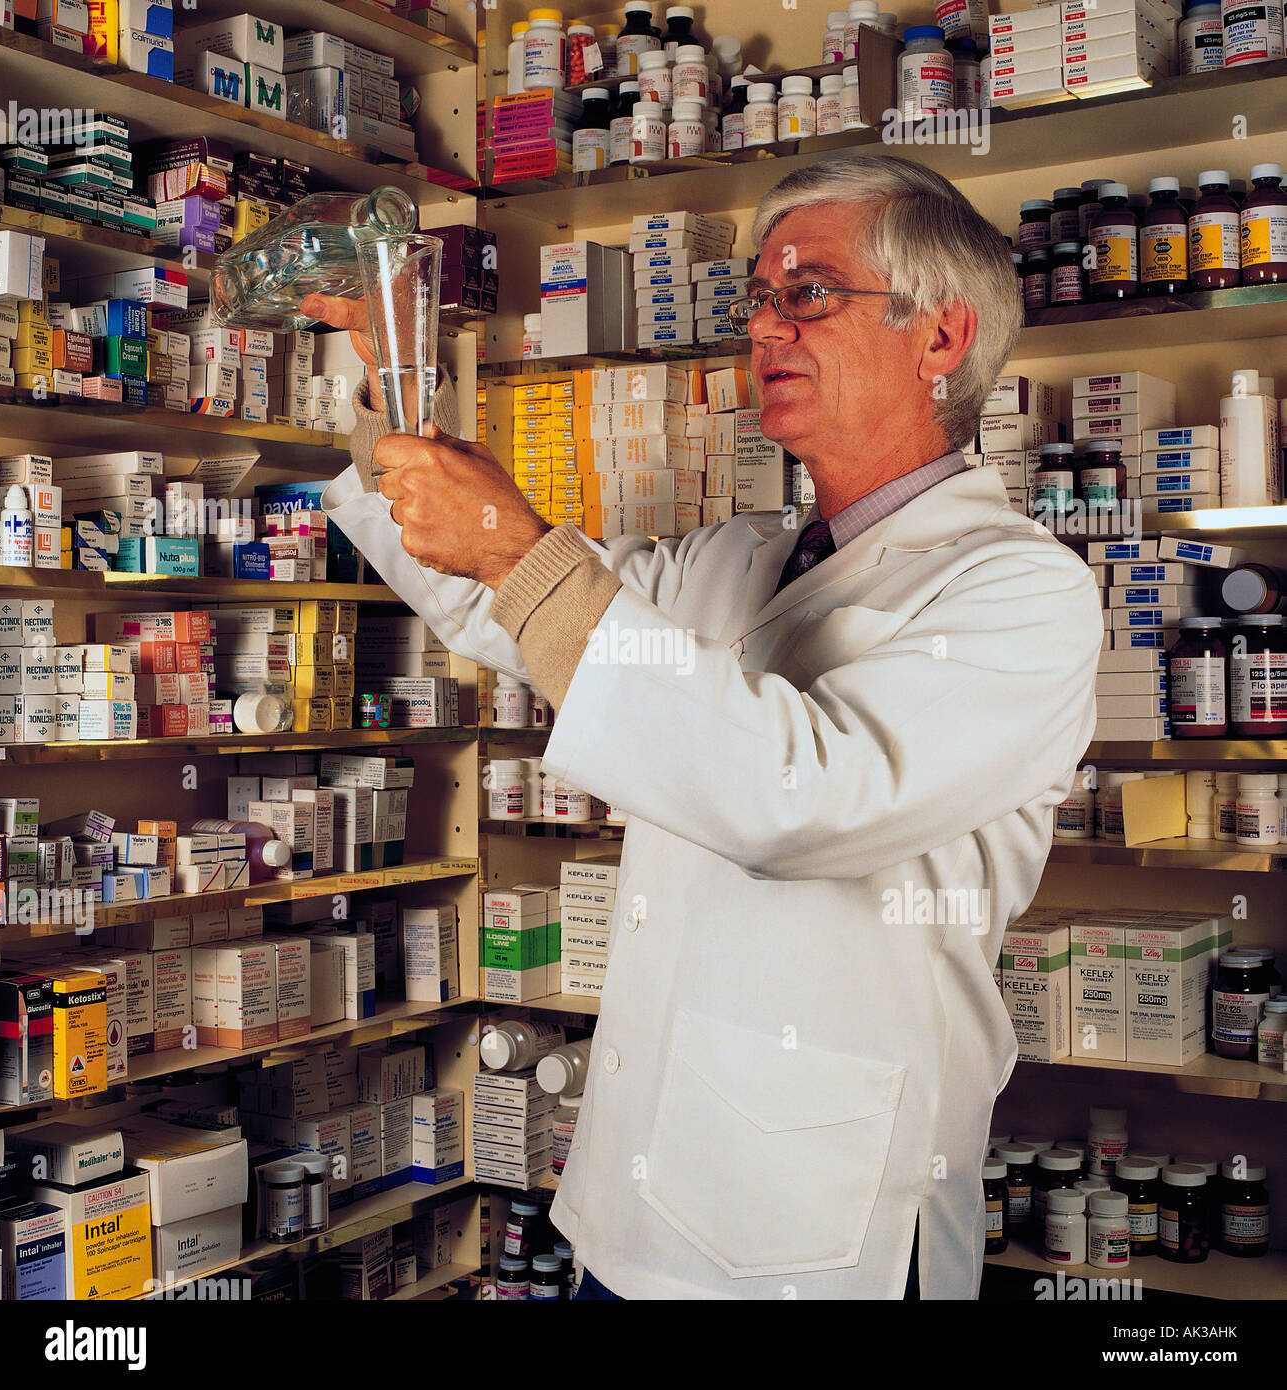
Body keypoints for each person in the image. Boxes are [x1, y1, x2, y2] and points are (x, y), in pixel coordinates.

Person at [310, 154, 1103, 1300]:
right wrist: (393, 371)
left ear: (939, 339)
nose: (763, 329)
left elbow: (800, 799)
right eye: (755, 299)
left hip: (818, 1231)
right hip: (629, 1197)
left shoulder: (1018, 592)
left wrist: (519, 549)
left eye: (807, 294)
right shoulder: (734, 560)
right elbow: (496, 600)